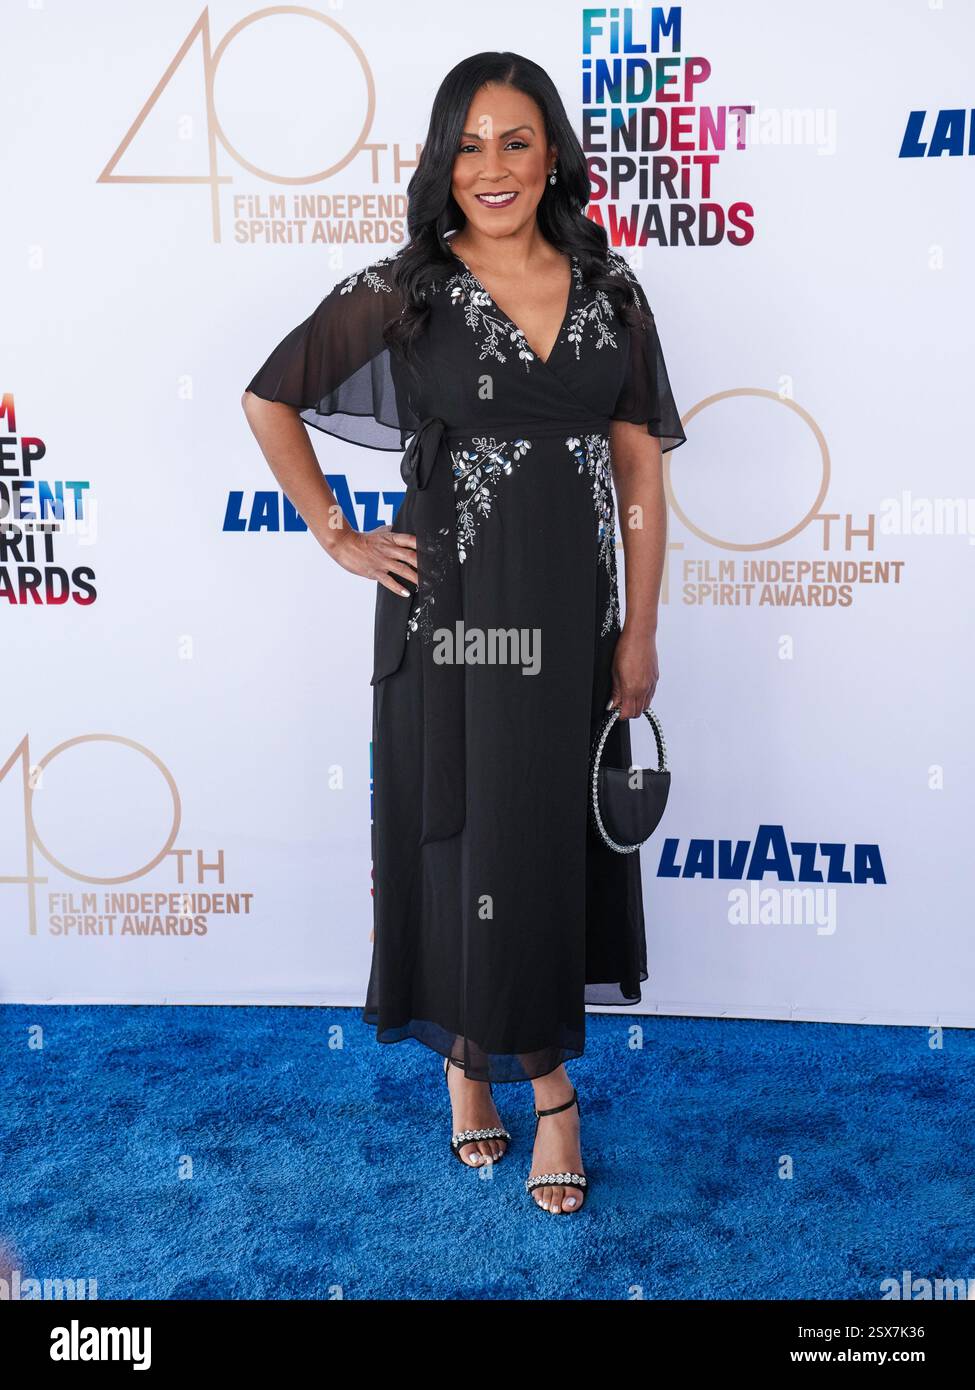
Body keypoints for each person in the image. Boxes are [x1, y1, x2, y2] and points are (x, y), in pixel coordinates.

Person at [242, 51, 687, 1216]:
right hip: (447, 619)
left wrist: (640, 628)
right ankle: (500, 1079)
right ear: (444, 159)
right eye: (471, 143)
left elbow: (637, 462)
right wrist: (339, 535)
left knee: (538, 842)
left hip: (572, 615)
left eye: (518, 140)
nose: (493, 167)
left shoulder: (613, 289)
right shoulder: (410, 287)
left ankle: (519, 1072)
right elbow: (267, 398)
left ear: (553, 157)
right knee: (457, 838)